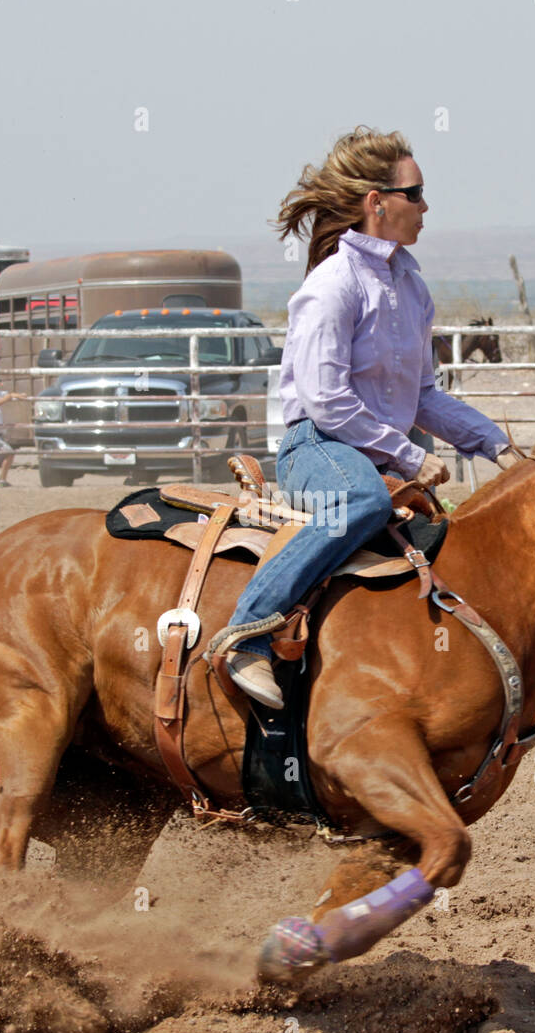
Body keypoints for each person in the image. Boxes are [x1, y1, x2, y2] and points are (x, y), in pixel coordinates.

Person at [221, 127, 517, 708]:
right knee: (362, 502)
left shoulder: (412, 288)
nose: (426, 206)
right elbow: (326, 400)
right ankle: (247, 634)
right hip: (318, 447)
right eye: (416, 193)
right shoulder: (331, 286)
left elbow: (424, 396)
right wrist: (411, 455)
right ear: (376, 202)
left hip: (373, 449)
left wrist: (496, 444)